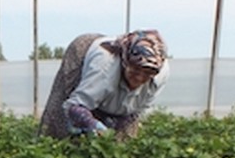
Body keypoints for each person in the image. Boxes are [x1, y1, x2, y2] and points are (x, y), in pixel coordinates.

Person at [38, 30, 169, 140]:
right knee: (61, 124)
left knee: (123, 140)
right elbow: (74, 105)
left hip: (108, 78)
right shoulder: (105, 69)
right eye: (135, 70)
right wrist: (93, 125)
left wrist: (118, 126)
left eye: (146, 73)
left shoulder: (159, 75)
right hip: (82, 54)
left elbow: (136, 110)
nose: (139, 77)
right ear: (125, 63)